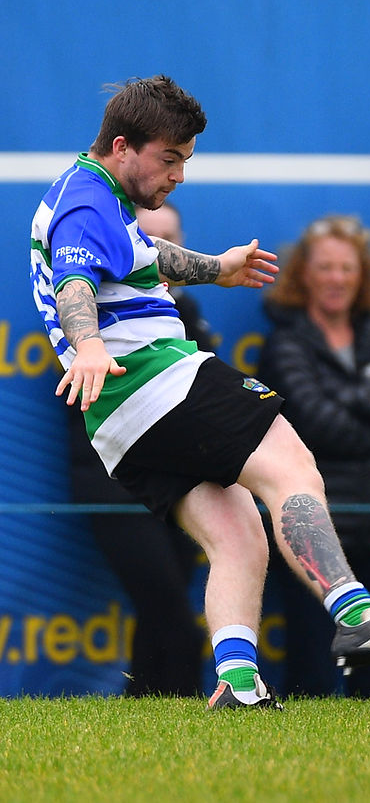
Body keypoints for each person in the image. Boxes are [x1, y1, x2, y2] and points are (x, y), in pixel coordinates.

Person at [30, 75, 370, 710]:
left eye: (185, 161)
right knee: (293, 469)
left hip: (117, 424)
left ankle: (236, 684)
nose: (178, 175)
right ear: (123, 146)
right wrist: (86, 343)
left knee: (238, 535)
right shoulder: (87, 204)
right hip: (154, 379)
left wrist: (215, 269)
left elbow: (141, 254)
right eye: (169, 159)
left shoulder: (96, 193)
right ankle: (357, 613)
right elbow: (75, 280)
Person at [258, 214, 370, 698]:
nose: (337, 278)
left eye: (347, 268)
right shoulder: (286, 344)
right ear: (304, 275)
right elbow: (318, 426)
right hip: (315, 534)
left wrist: (354, 397)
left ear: (362, 276)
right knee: (314, 669)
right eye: (325, 268)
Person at [66, 200, 213, 696]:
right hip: (115, 488)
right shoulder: (89, 319)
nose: (157, 258)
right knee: (169, 612)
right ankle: (198, 708)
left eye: (166, 244)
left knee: (163, 613)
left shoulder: (186, 313)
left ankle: (147, 711)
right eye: (146, 244)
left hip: (178, 487)